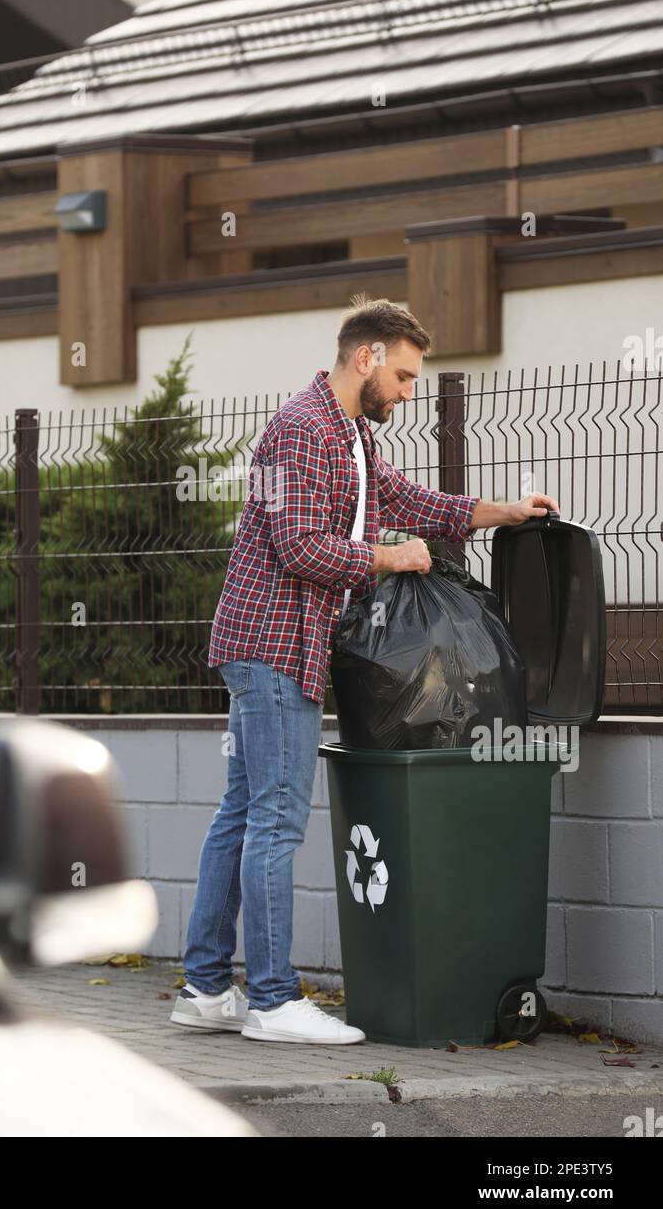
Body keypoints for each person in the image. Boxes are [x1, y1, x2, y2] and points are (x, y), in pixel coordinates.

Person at [170, 295, 560, 1044]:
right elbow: (300, 547)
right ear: (366, 358)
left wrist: (501, 512)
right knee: (275, 822)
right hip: (273, 643)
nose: (410, 393)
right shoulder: (301, 430)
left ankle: (207, 985)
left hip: (275, 643)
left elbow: (405, 498)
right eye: (406, 377)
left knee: (242, 816)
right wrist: (392, 556)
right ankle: (274, 1001)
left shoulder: (346, 432)